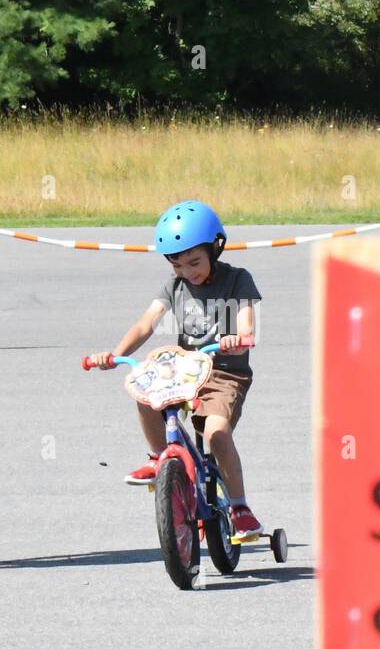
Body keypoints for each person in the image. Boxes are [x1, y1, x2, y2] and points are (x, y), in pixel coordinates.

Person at [87, 200, 264, 538]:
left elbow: (246, 328)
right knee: (144, 389)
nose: (188, 271)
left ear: (216, 247)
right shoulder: (175, 286)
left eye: (195, 261)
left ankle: (241, 508)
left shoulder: (237, 280)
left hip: (224, 373)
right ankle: (158, 458)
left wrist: (237, 339)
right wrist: (114, 355)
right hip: (186, 368)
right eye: (178, 264)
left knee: (216, 433)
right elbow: (146, 324)